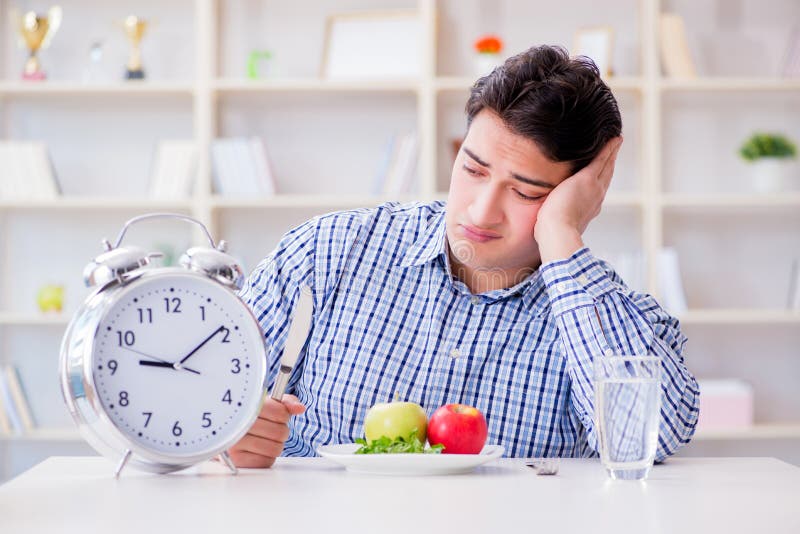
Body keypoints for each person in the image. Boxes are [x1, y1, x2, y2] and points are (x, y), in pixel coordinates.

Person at [229, 44, 700, 468]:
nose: (481, 210)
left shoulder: (600, 313)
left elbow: (647, 440)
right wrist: (226, 443)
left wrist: (560, 235)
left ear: (580, 194)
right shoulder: (326, 253)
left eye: (525, 192)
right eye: (473, 169)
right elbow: (203, 404)